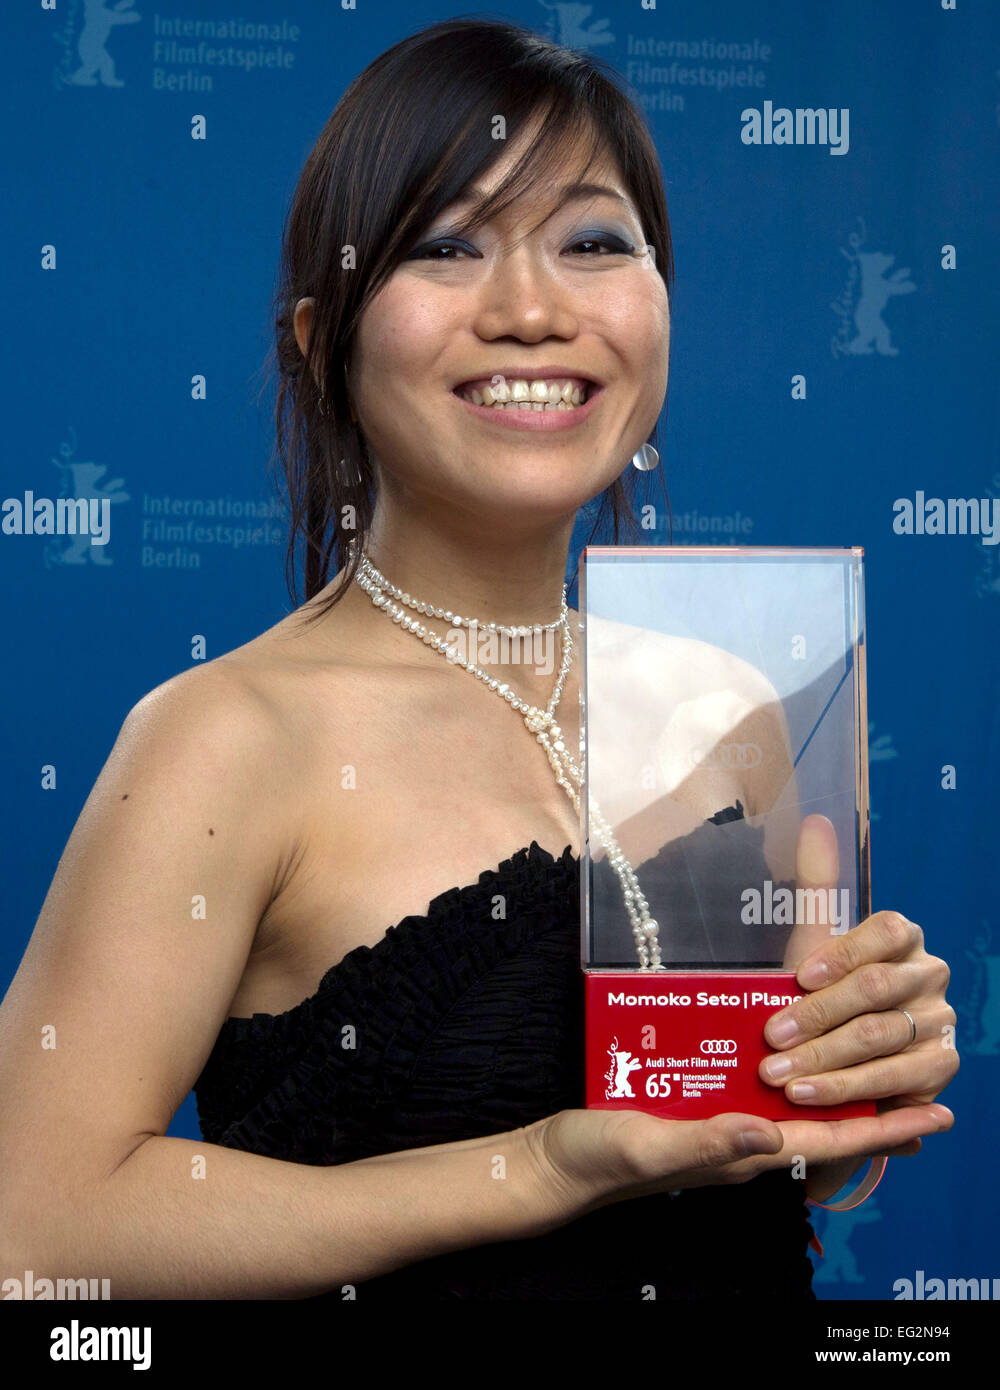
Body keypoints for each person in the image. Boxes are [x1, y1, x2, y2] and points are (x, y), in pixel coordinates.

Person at [0, 18, 956, 1301]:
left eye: (593, 242)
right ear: (316, 338)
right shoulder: (226, 737)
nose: (529, 309)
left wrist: (849, 1070)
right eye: (446, 247)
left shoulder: (730, 704)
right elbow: (37, 1225)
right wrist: (542, 1166)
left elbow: (780, 1156)